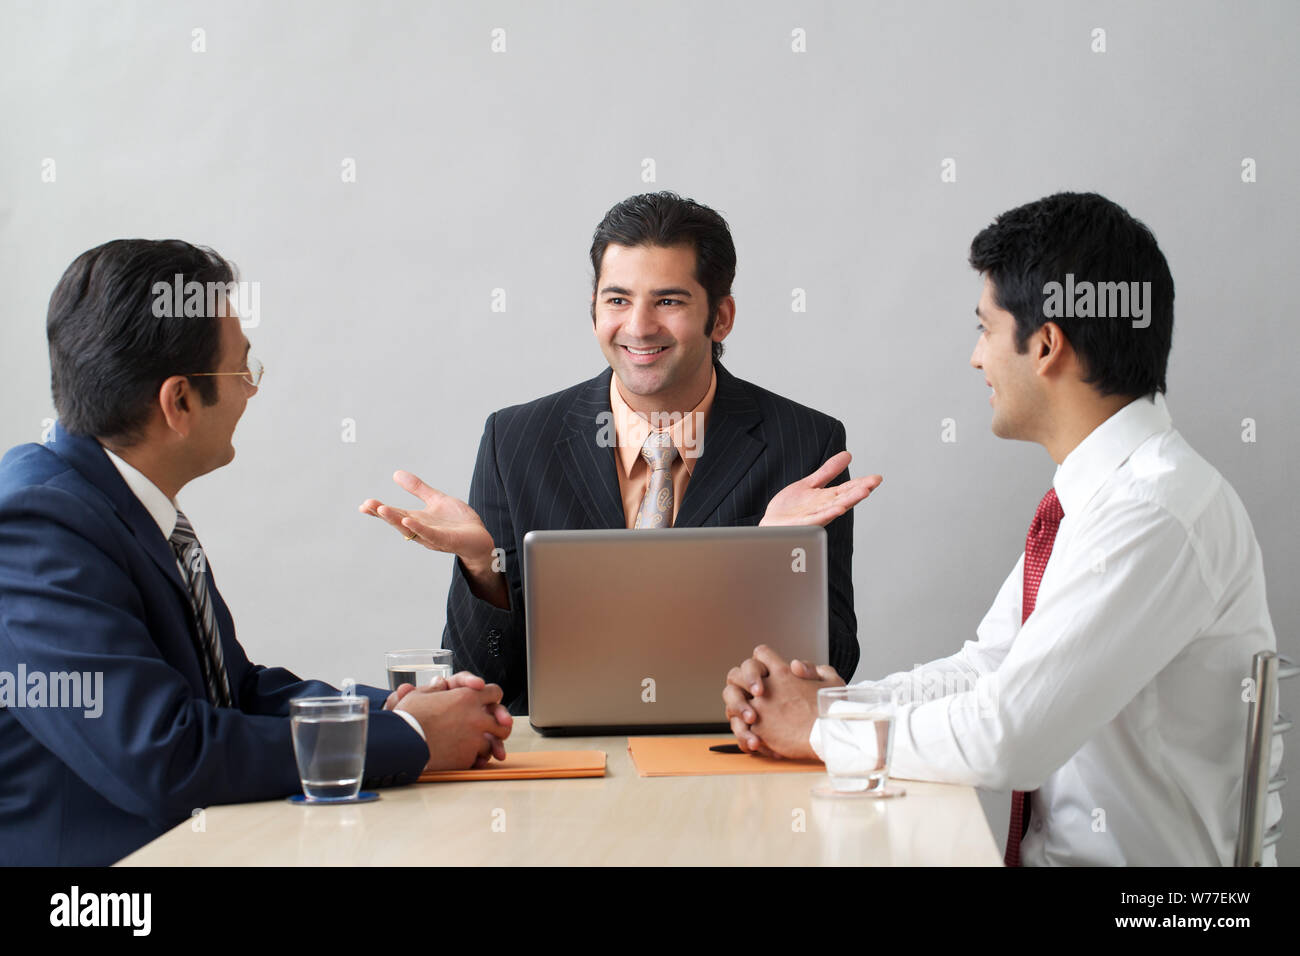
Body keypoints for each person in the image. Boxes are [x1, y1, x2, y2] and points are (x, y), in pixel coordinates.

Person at [722, 192, 1281, 866]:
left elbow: (1008, 737)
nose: (976, 358)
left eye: (985, 328)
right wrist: (827, 706)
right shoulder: (1099, 496)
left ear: (1045, 345)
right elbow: (989, 669)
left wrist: (819, 729)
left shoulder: (1152, 513)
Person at [0, 240, 512, 866]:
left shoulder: (117, 501)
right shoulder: (36, 527)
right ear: (179, 402)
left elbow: (234, 693)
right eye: (242, 372)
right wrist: (411, 739)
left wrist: (401, 708)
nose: (251, 391)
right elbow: (165, 756)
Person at [363, 192, 882, 714]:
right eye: (617, 300)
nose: (638, 326)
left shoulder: (807, 442)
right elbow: (484, 681)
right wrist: (481, 569)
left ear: (720, 318)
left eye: (669, 301)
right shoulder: (515, 441)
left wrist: (771, 567)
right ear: (593, 312)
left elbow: (835, 666)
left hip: (728, 757)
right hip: (565, 769)